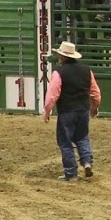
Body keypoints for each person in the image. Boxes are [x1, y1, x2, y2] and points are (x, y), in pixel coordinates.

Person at [43, 40, 101, 182]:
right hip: (83, 109)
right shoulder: (87, 70)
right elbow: (95, 92)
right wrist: (95, 107)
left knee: (65, 141)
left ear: (62, 56)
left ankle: (71, 173)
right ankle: (87, 162)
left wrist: (47, 111)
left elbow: (52, 94)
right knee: (82, 137)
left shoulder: (59, 72)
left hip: (67, 110)